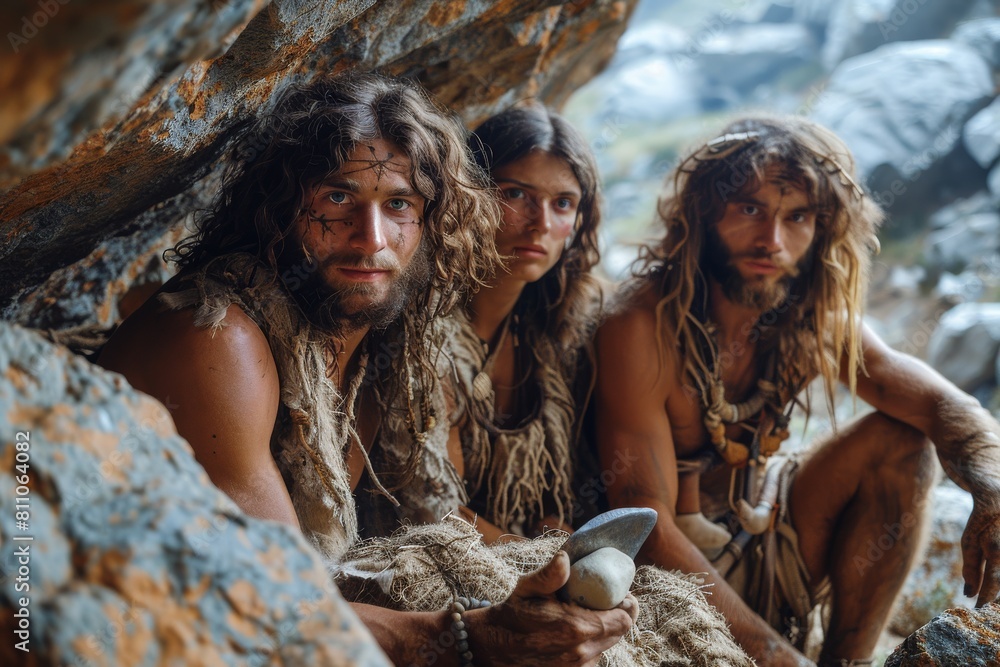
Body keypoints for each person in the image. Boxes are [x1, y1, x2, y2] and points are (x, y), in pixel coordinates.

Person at [97, 72, 636, 666]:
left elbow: (396, 538)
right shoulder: (218, 338)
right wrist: (471, 636)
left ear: (432, 221)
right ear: (279, 210)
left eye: (399, 204)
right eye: (337, 198)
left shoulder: (385, 340)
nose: (370, 238)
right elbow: (269, 600)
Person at [594, 115, 1000, 667]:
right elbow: (644, 519)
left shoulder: (812, 318)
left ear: (821, 229)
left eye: (798, 216)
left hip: (771, 530)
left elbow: (940, 404)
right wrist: (777, 658)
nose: (772, 240)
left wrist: (991, 487)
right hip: (665, 577)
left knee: (902, 441)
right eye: (749, 209)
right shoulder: (640, 324)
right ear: (704, 214)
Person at [446, 104, 605, 542]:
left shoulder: (559, 332)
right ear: (470, 191)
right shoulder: (426, 330)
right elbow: (432, 507)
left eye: (563, 203)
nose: (541, 223)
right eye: (516, 194)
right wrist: (540, 559)